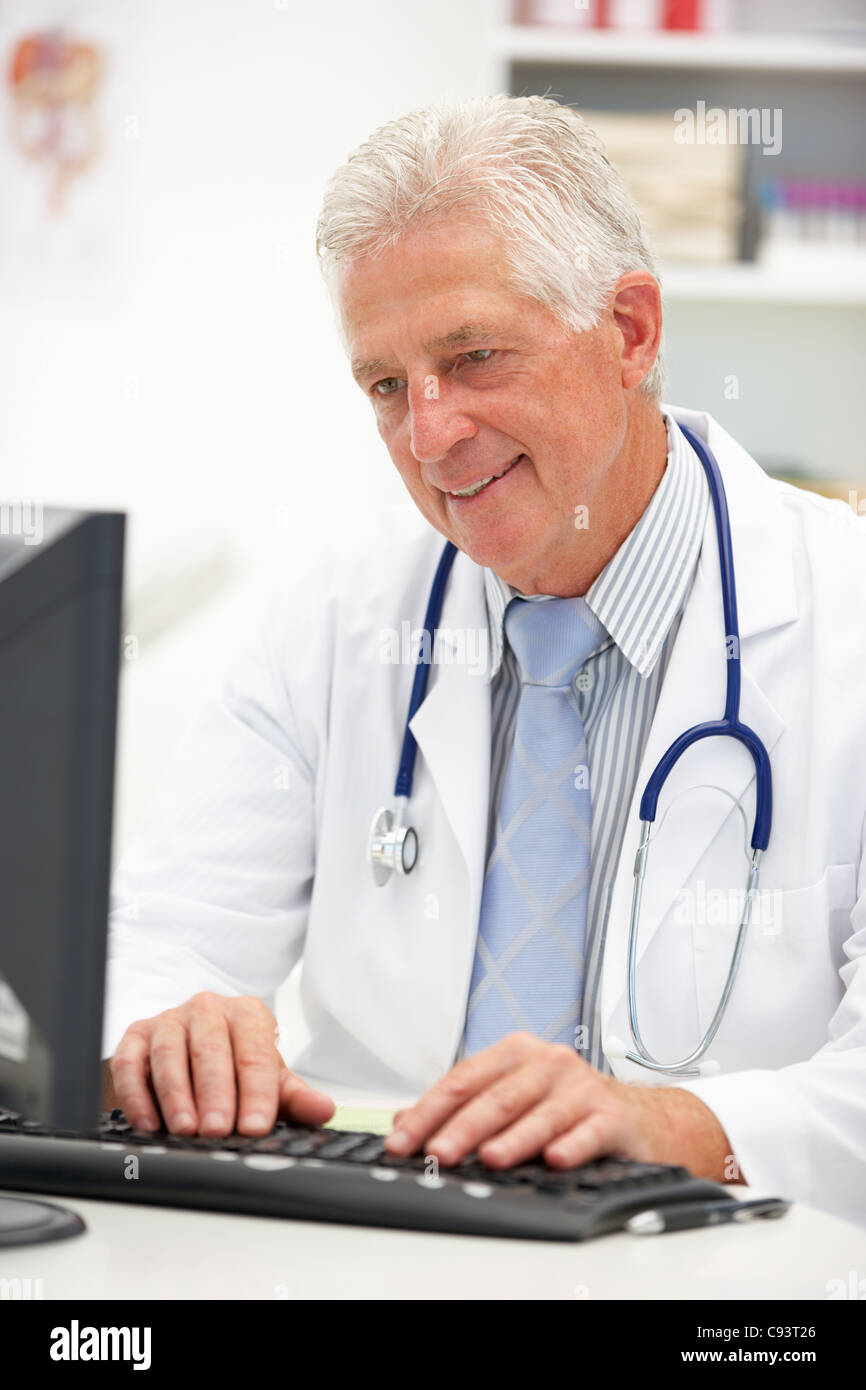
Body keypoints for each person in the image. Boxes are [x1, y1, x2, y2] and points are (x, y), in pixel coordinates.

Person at [102, 95, 866, 1223]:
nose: (428, 434)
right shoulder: (333, 615)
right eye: (384, 384)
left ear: (630, 332)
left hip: (719, 1277)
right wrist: (170, 1029)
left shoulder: (840, 618)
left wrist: (679, 1130)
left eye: (472, 357)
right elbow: (158, 938)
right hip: (375, 1257)